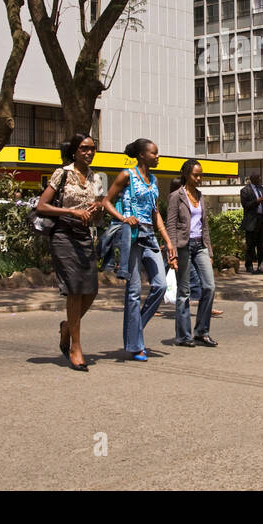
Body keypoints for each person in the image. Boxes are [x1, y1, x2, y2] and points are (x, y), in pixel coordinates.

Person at [103, 138, 177, 361]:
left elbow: (156, 214)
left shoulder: (153, 180)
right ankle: (136, 345)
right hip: (132, 237)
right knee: (134, 292)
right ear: (142, 155)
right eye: (154, 153)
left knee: (161, 285)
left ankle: (135, 330)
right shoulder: (127, 175)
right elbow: (106, 201)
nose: (157, 156)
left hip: (150, 236)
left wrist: (169, 241)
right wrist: (124, 218)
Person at [36, 133, 104, 372]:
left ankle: (67, 327)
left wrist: (97, 209)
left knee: (91, 290)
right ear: (75, 151)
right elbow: (41, 205)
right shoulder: (62, 173)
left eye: (92, 148)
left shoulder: (96, 177)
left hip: (84, 235)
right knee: (75, 290)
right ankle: (75, 346)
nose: (89, 152)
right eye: (84, 148)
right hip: (63, 235)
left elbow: (100, 211)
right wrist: (72, 212)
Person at [166, 159, 218, 348]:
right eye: (196, 175)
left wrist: (209, 251)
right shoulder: (176, 196)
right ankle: (183, 336)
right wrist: (171, 253)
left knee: (209, 287)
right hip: (183, 246)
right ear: (187, 174)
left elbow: (205, 226)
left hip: (200, 246)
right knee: (184, 292)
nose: (199, 178)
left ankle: (201, 332)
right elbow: (170, 225)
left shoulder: (201, 195)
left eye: (201, 175)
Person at [240, 172, 263, 273]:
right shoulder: (245, 190)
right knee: (250, 245)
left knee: (261, 245)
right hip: (251, 221)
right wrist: (256, 201)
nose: (260, 180)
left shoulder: (262, 189)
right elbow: (245, 205)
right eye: (258, 179)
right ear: (252, 179)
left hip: (262, 220)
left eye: (260, 179)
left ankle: (261, 266)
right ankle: (249, 265)